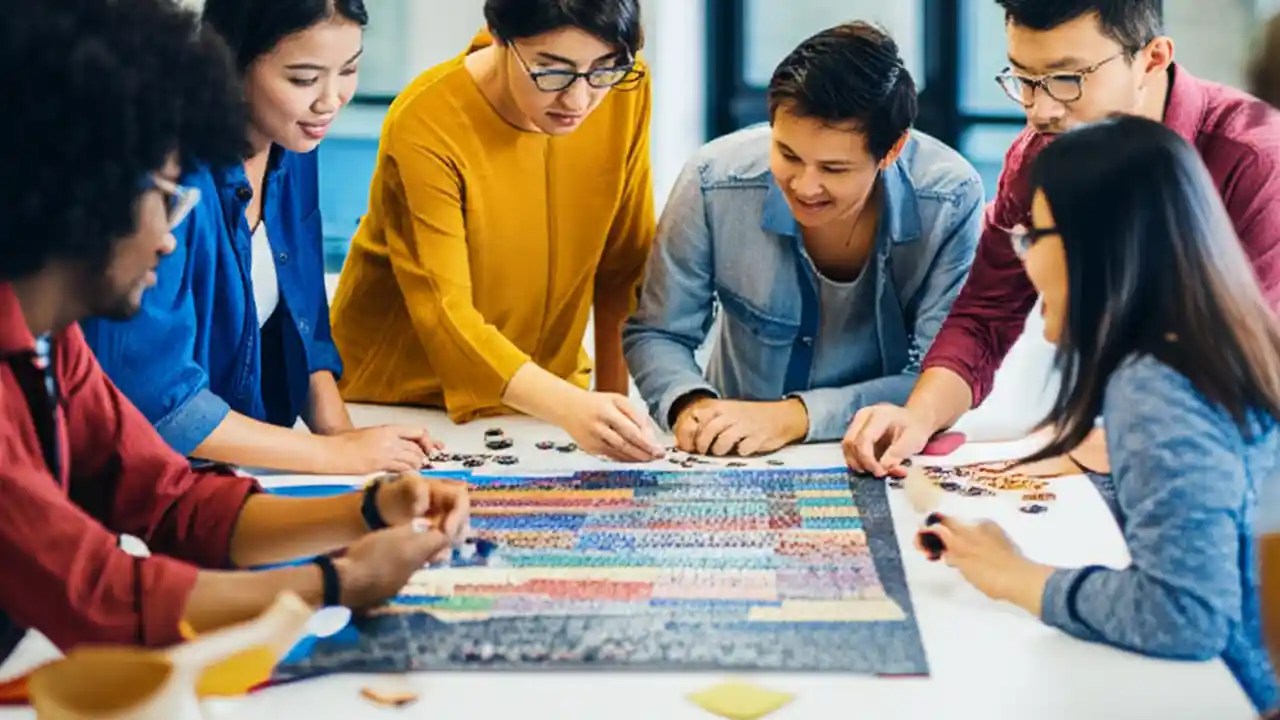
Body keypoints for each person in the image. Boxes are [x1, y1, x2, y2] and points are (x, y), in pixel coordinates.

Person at [0, 0, 469, 663]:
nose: (170, 237)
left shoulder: (55, 343)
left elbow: (172, 503)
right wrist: (335, 582)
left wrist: (367, 510)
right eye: (167, 195)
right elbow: (106, 599)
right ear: (84, 195)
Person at [916, 116, 1279, 712]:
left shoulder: (1157, 383)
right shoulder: (1209, 345)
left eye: (1036, 237)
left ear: (1101, 241)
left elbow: (1187, 616)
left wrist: (1017, 576)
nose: (1027, 263)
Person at [843, 0, 1280, 477]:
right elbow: (985, 315)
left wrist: (1083, 446)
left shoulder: (1256, 160)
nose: (1041, 111)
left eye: (1068, 79)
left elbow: (1250, 377)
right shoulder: (1038, 155)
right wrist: (917, 417)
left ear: (1151, 59)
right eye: (1024, 79)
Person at [80, 0, 440, 476]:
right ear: (230, 61)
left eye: (349, 71)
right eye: (304, 79)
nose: (330, 100)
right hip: (143, 482)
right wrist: (334, 455)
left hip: (238, 464)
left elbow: (304, 313)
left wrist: (341, 433)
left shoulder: (293, 141)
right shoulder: (166, 176)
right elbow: (159, 402)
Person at [622, 22, 981, 457]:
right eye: (788, 155)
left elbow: (938, 374)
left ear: (892, 150)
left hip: (876, 455)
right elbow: (658, 332)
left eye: (834, 169)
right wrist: (690, 403)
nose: (806, 186)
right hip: (733, 455)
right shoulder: (712, 180)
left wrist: (794, 417)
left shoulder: (950, 199)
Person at [329, 0, 665, 463]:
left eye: (604, 70)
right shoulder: (427, 121)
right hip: (400, 403)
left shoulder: (627, 88)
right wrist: (573, 408)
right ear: (498, 35)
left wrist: (614, 410)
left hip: (545, 405)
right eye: (552, 72)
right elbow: (446, 313)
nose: (579, 100)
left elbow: (623, 266)